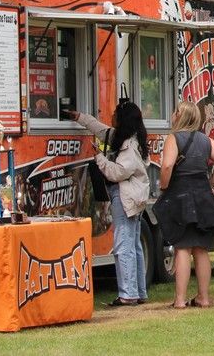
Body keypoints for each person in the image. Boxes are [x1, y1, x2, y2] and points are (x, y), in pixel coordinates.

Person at [70, 101, 150, 306]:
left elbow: (117, 173)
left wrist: (99, 157)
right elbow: (100, 129)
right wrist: (80, 117)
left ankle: (127, 294)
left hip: (125, 198)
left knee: (123, 246)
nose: (112, 116)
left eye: (115, 114)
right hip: (134, 198)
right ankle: (139, 291)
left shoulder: (129, 147)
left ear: (123, 120)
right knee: (134, 246)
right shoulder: (130, 139)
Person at [155, 101, 214, 309]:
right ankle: (203, 298)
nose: (172, 114)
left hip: (181, 196)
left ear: (180, 116)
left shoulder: (174, 138)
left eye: (175, 111)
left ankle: (179, 300)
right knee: (201, 249)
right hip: (203, 198)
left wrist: (164, 186)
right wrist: (210, 183)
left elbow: (168, 165)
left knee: (182, 247)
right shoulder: (205, 140)